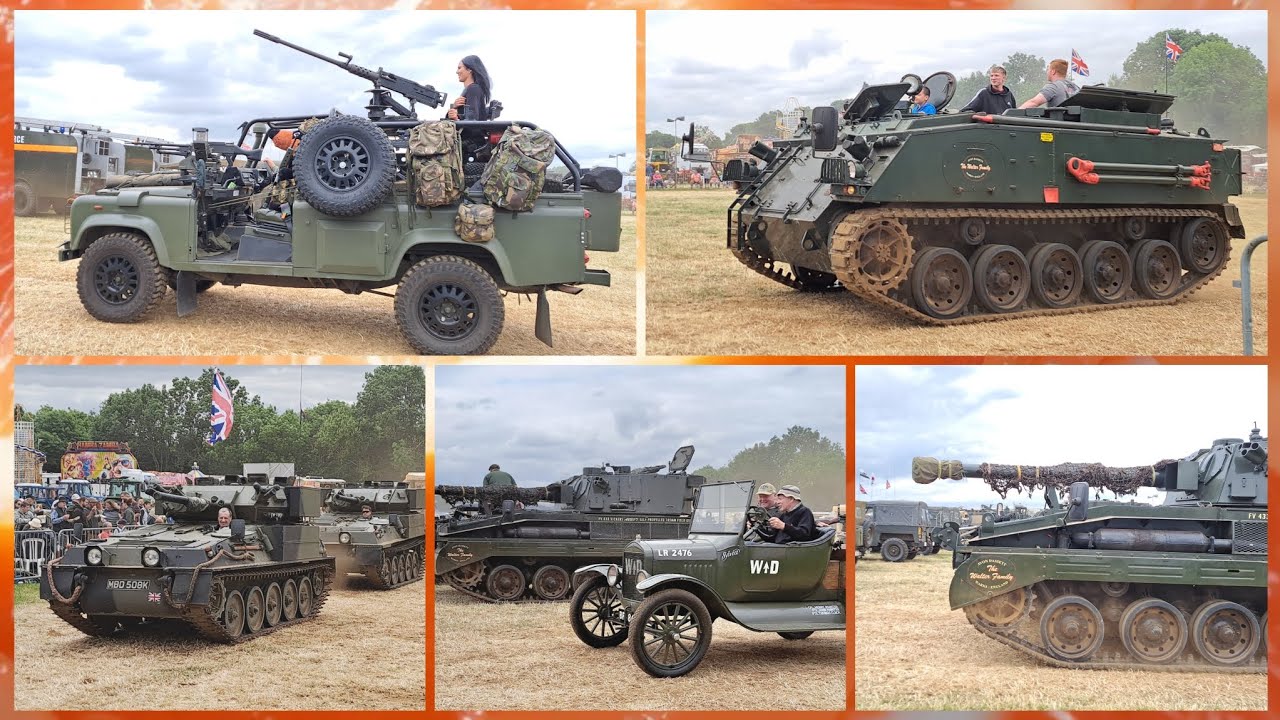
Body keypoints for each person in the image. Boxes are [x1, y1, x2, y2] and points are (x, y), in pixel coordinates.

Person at [447, 55, 493, 122]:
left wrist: (456, 119)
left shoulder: (473, 89)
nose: (457, 72)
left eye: (459, 68)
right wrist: (454, 108)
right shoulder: (471, 89)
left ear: (469, 70)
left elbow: (472, 120)